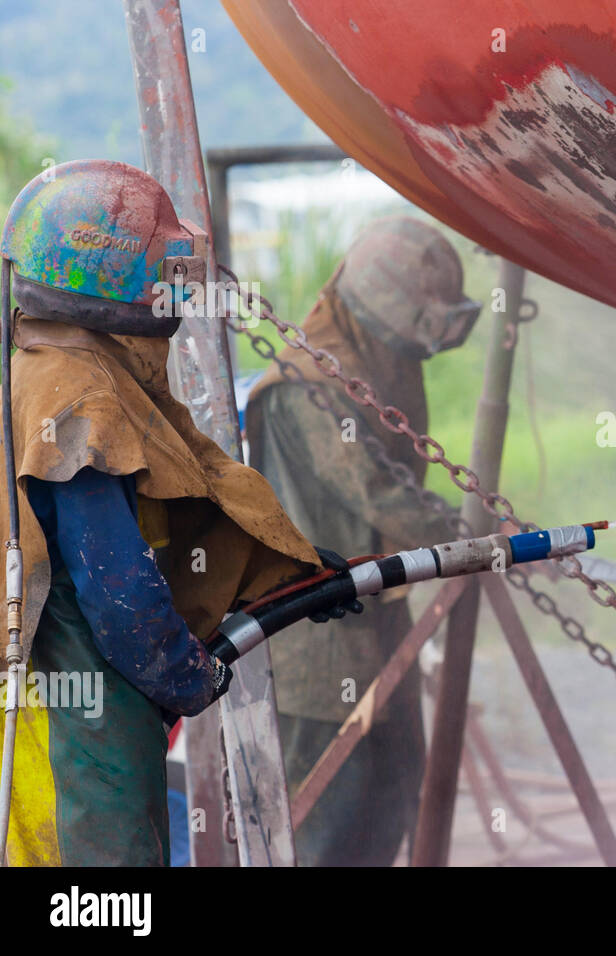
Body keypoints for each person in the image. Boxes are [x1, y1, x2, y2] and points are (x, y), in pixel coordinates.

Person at [0, 159, 323, 866]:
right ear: (117, 279)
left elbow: (172, 509)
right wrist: (189, 673)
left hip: (58, 694)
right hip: (87, 711)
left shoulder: (45, 364)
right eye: (164, 273)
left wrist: (296, 578)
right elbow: (119, 594)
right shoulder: (80, 396)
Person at [245, 215, 479, 866]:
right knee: (330, 819)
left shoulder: (378, 362)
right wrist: (482, 540)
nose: (423, 351)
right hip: (317, 643)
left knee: (395, 792)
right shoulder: (310, 386)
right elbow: (378, 492)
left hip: (378, 622)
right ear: (384, 313)